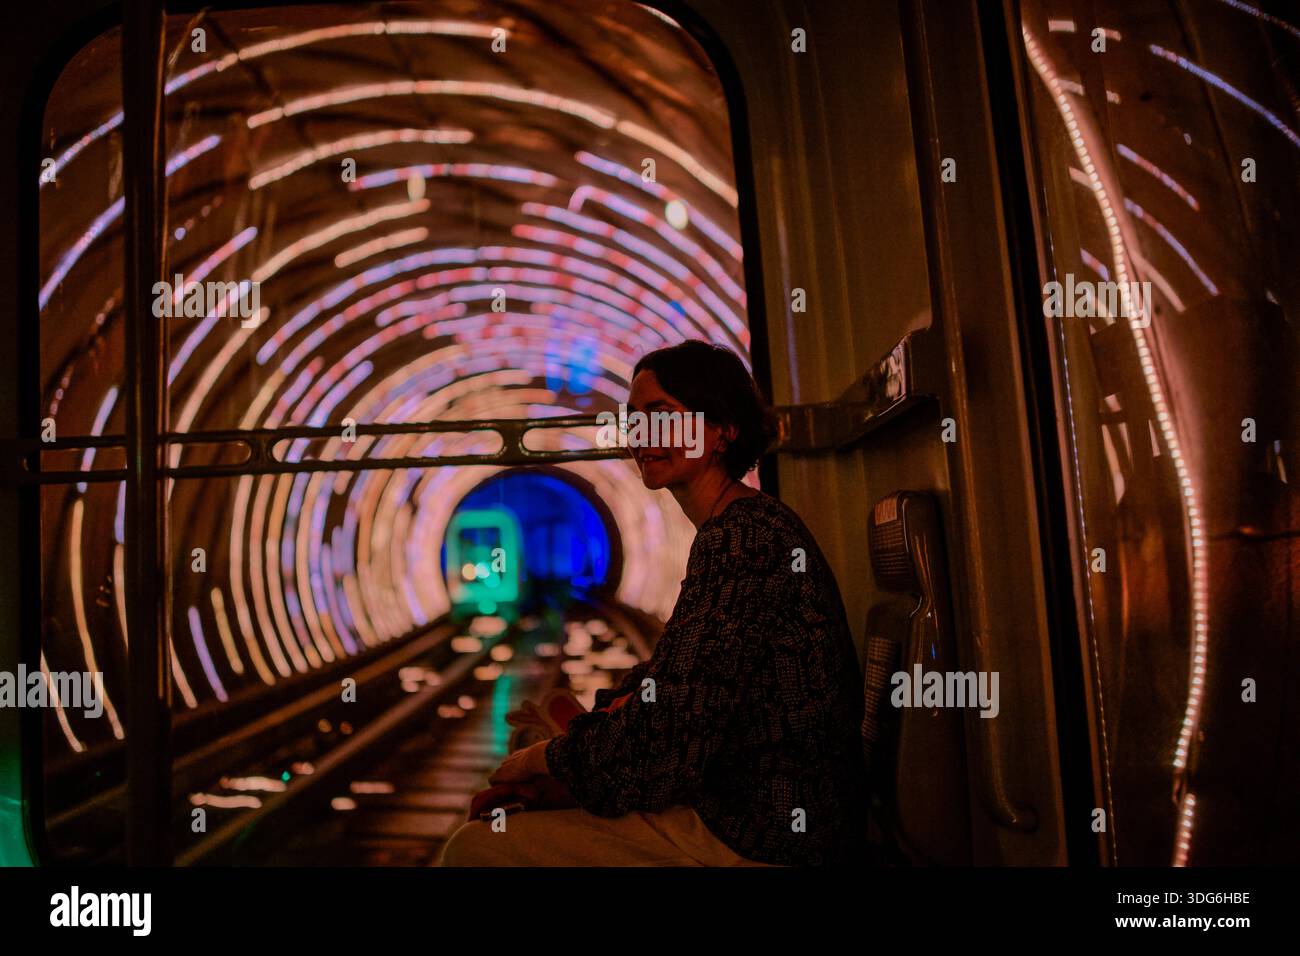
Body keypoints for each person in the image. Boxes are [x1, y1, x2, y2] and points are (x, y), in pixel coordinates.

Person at [439, 340, 868, 866]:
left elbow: (673, 739)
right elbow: (681, 691)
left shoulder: (745, 540)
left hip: (762, 828)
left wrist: (547, 761)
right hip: (751, 805)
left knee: (479, 847)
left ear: (722, 429)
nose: (642, 435)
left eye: (661, 415)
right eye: (634, 420)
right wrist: (583, 744)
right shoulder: (740, 529)